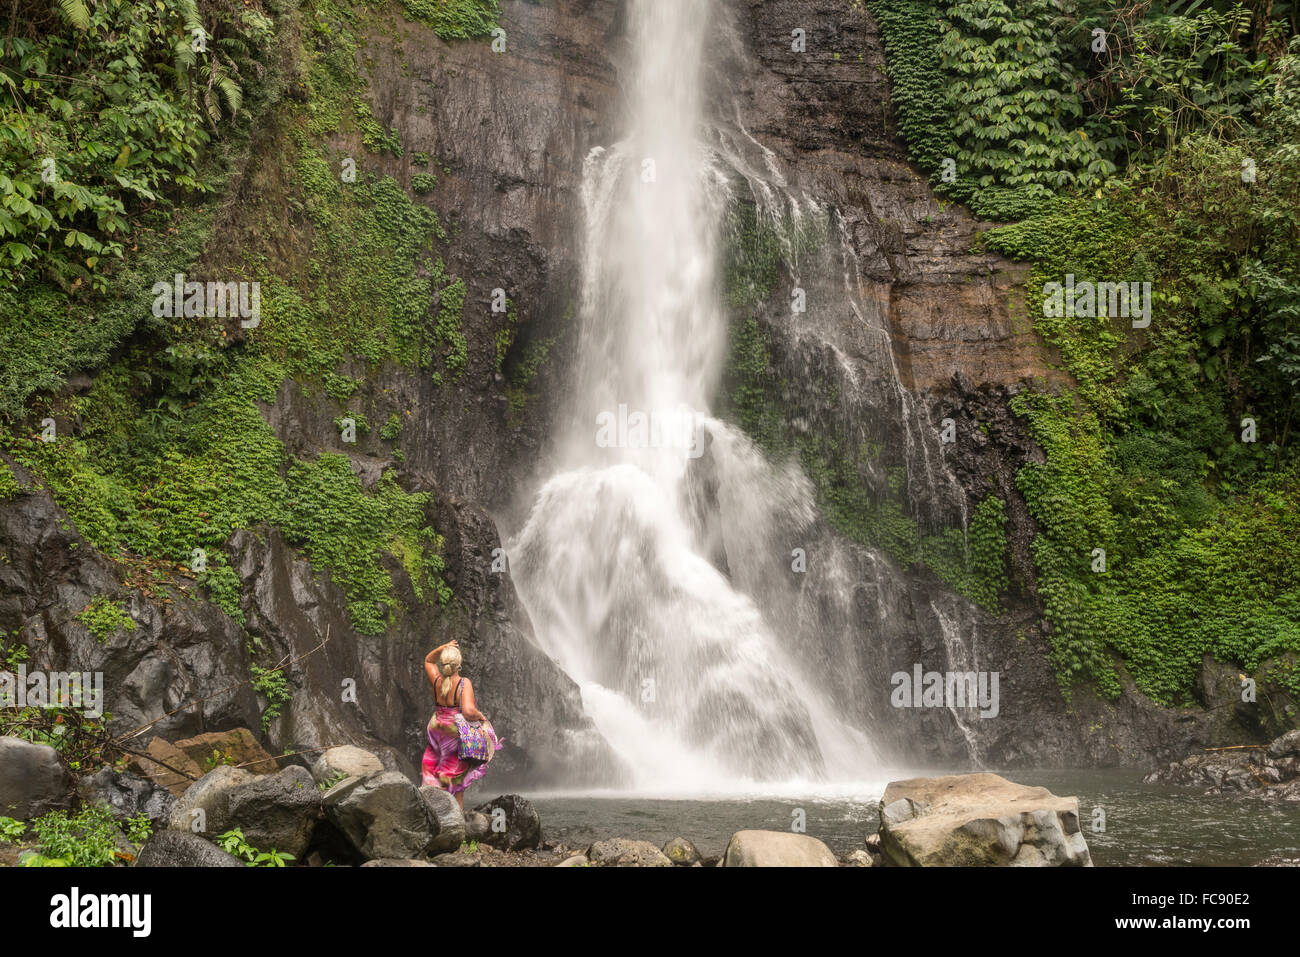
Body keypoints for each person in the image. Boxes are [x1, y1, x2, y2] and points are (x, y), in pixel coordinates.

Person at [421, 639, 502, 809]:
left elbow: (428, 660)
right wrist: (481, 716)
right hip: (454, 732)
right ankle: (456, 821)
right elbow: (468, 711)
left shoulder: (436, 680)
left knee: (436, 769)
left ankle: (432, 812)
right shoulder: (464, 683)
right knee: (455, 779)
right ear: (459, 664)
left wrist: (443, 647)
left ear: (443, 664)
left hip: (437, 727)